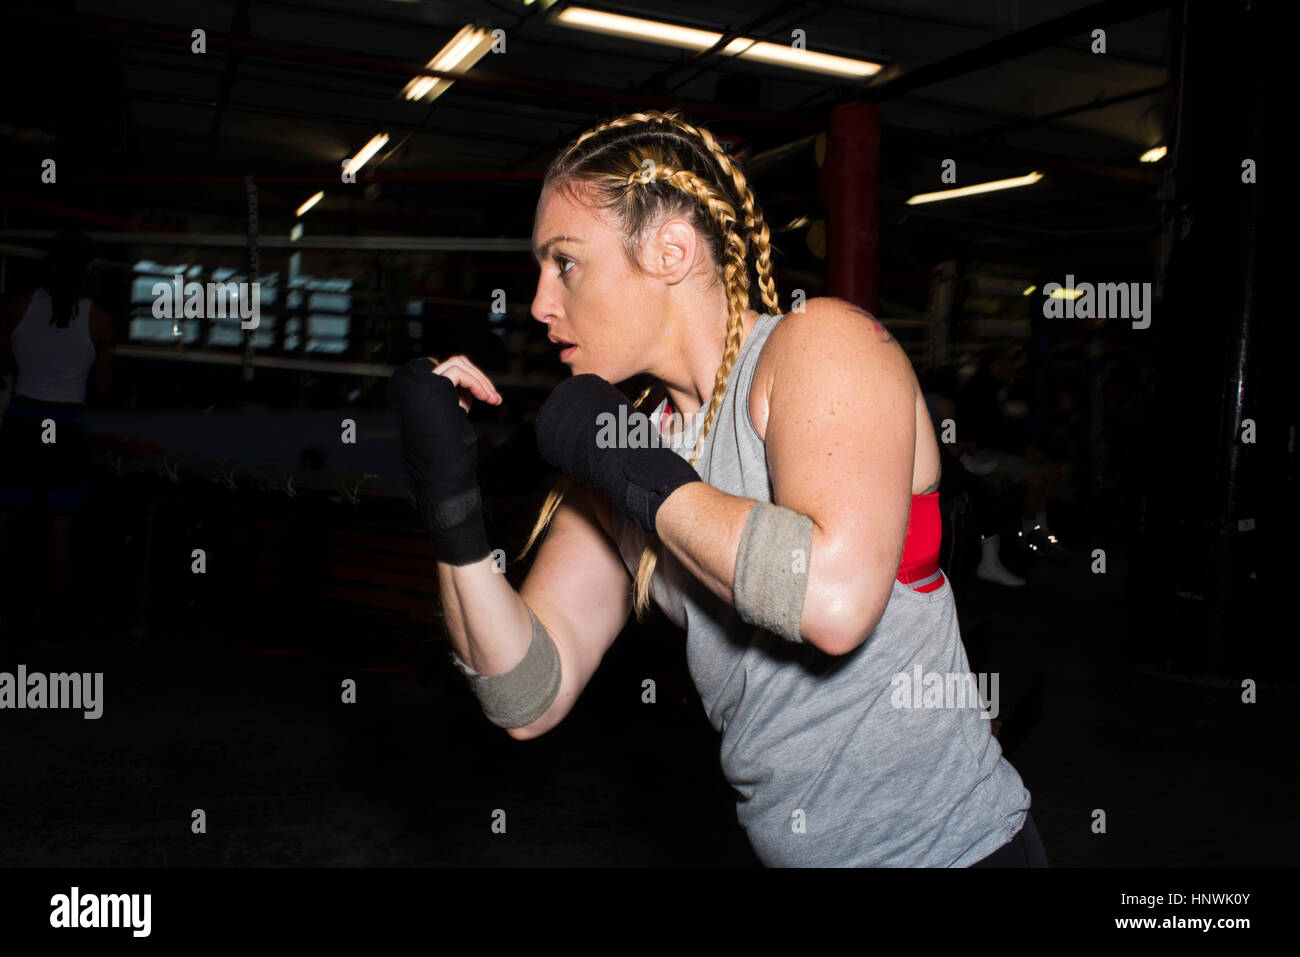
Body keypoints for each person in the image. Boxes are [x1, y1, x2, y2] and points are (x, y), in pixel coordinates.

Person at [385, 111, 1045, 867]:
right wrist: (450, 503)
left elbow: (830, 599)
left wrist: (636, 470)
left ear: (670, 249)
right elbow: (527, 695)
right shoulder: (623, 449)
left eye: (564, 262)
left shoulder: (818, 346)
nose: (538, 304)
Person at [0, 231, 115, 641]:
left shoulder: (14, 306)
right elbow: (103, 388)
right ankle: (56, 610)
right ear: (84, 275)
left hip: (23, 417)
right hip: (64, 424)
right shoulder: (100, 320)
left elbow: (3, 361)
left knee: (6, 514)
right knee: (61, 523)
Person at [954, 346, 1070, 563]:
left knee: (1041, 473)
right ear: (995, 366)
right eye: (1007, 363)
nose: (1011, 369)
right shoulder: (981, 391)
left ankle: (1038, 531)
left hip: (988, 450)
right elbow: (987, 434)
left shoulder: (993, 390)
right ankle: (1030, 535)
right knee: (1036, 478)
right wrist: (1024, 451)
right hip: (980, 453)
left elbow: (998, 431)